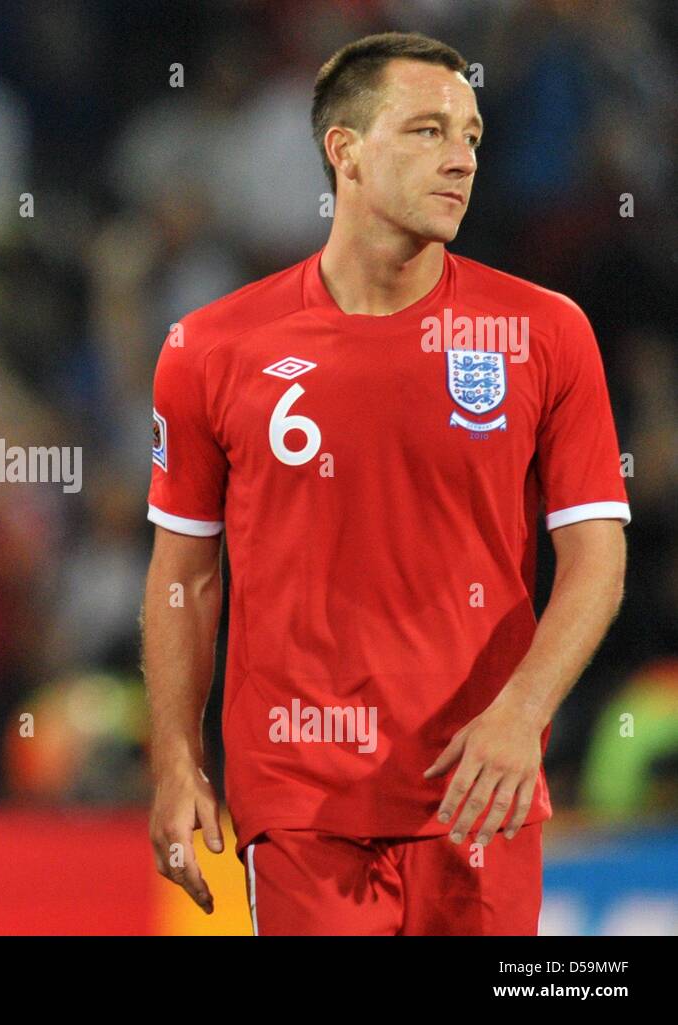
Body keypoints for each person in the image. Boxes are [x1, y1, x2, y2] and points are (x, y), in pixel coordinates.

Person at [142, 32, 629, 935]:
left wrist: (522, 712)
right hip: (301, 799)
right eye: (428, 131)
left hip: (481, 789)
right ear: (346, 151)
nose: (461, 159)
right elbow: (185, 573)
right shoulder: (212, 349)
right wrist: (175, 763)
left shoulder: (545, 332)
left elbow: (596, 553)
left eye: (474, 137)